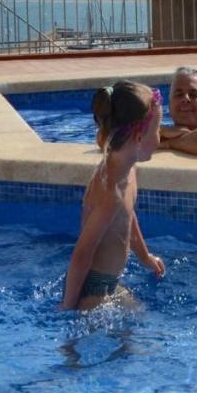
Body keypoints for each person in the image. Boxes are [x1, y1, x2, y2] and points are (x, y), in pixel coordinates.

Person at [60, 80, 166, 310]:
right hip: (93, 292)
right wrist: (67, 306)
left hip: (111, 284)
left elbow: (127, 218)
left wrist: (145, 257)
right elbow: (82, 254)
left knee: (139, 320)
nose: (160, 137)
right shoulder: (110, 192)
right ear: (139, 137)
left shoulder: (128, 171)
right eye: (157, 129)